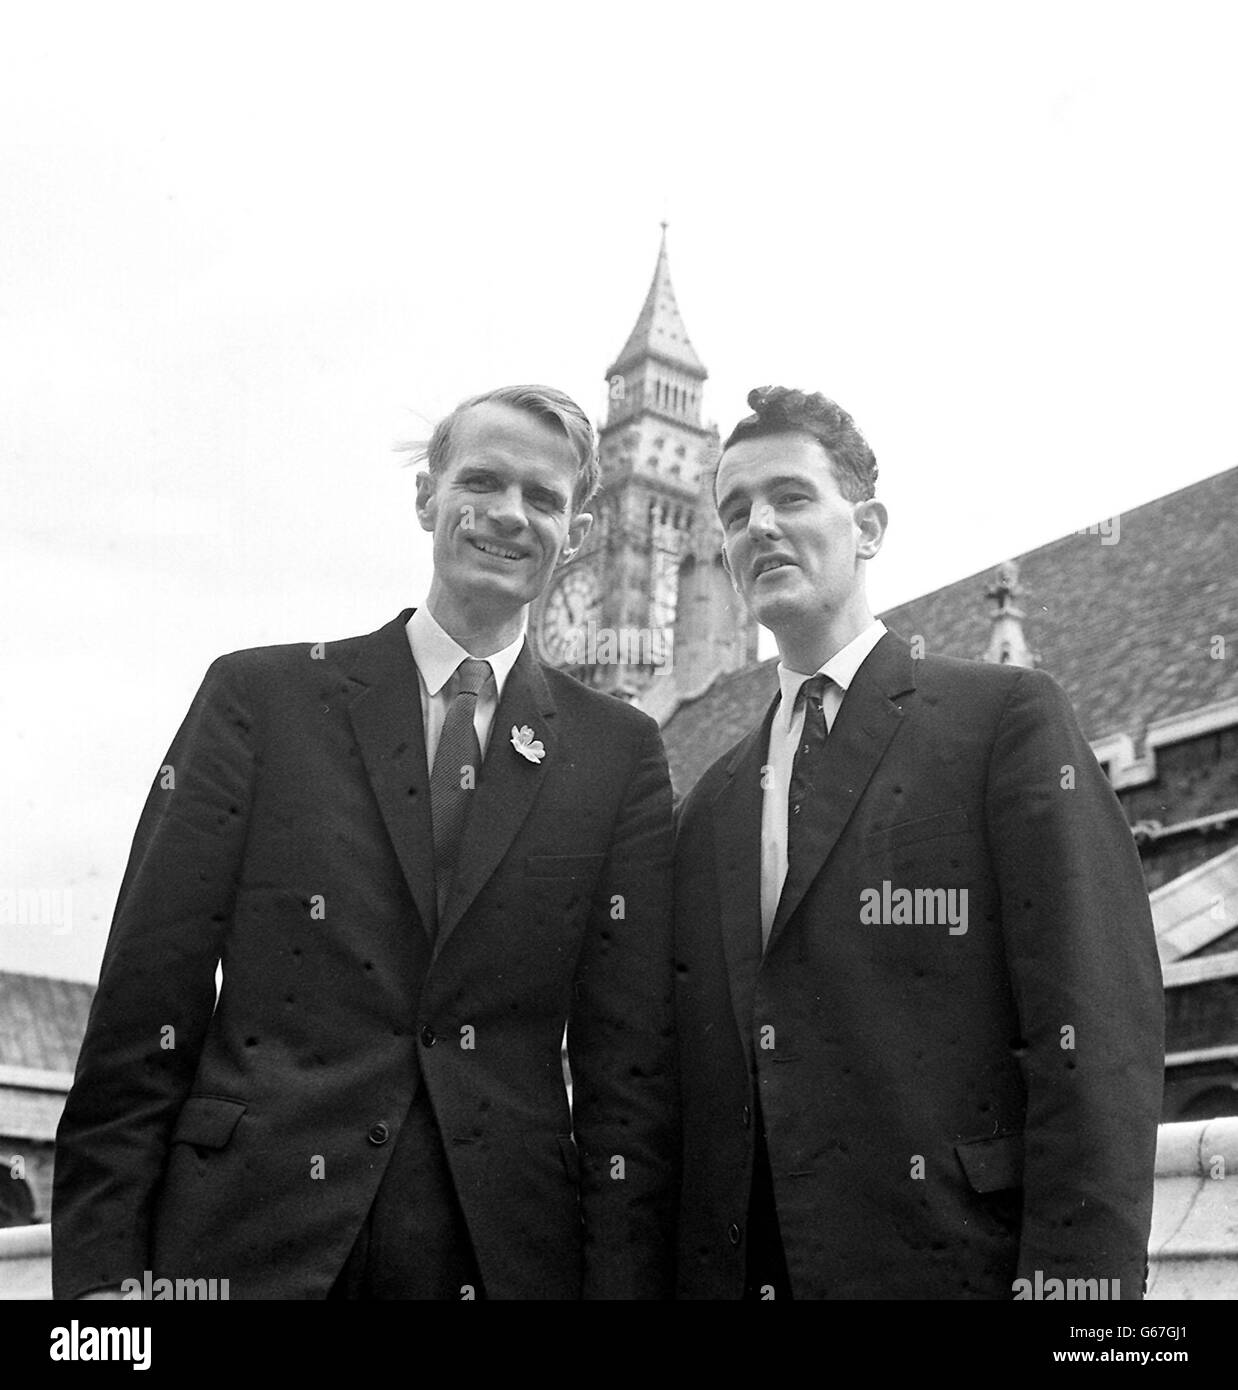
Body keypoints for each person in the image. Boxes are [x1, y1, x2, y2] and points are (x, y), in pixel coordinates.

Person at [53, 384, 678, 1300]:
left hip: (495, 1257)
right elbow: (147, 998)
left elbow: (628, 1072)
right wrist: (96, 1302)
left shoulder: (620, 754)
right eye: (482, 482)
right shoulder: (261, 701)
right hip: (243, 1243)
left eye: (543, 498)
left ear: (576, 533)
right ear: (427, 497)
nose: (509, 515)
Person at [673, 386, 1164, 1300]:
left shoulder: (1001, 720)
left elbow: (1096, 1038)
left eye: (790, 496)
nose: (759, 527)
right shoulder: (712, 802)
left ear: (868, 526)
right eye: (735, 512)